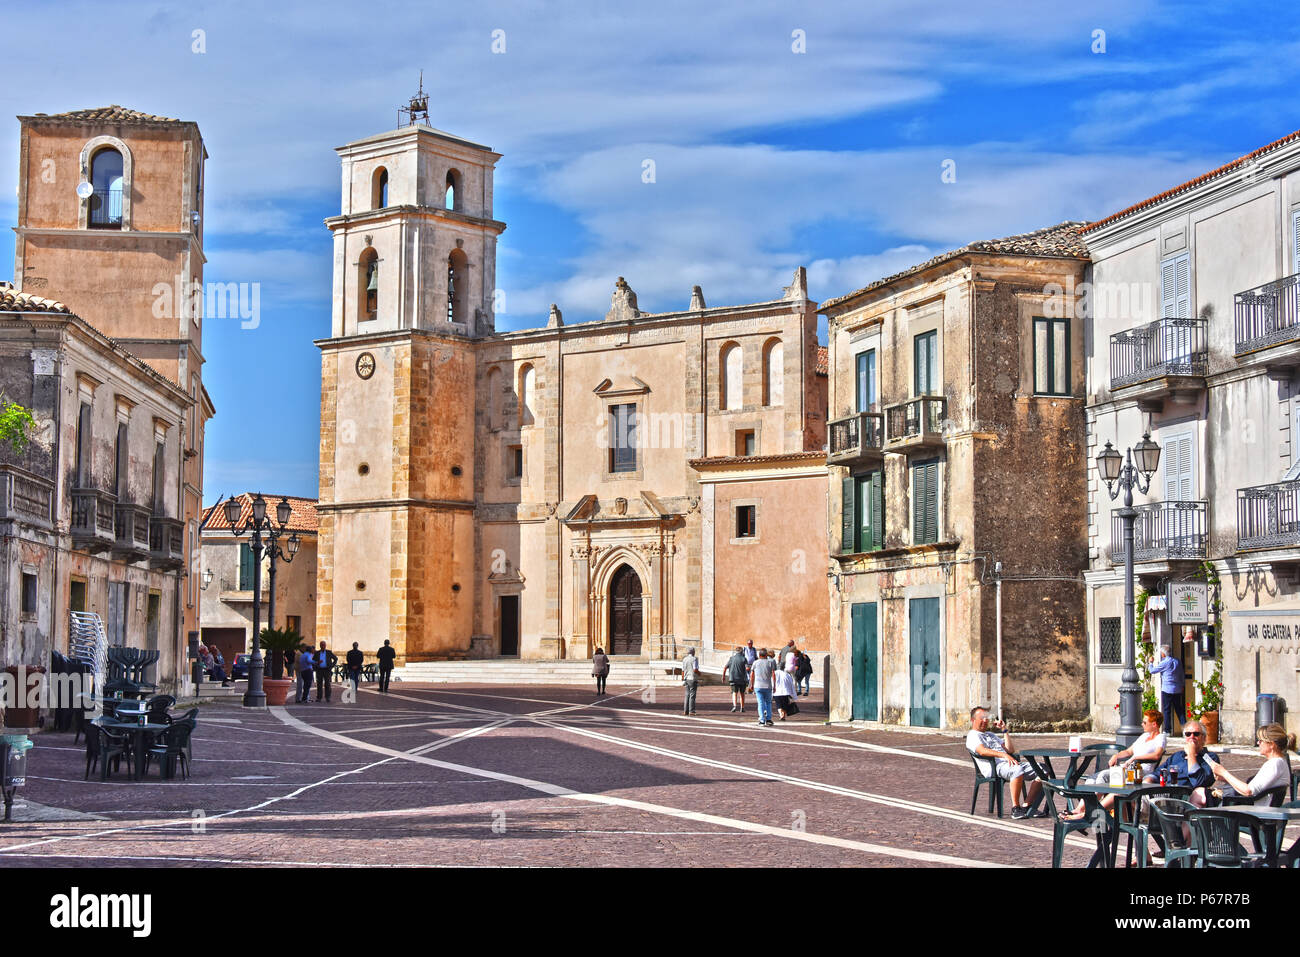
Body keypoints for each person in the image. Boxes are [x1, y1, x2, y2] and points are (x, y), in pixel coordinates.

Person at [1061, 710, 1166, 821]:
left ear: (1154, 724)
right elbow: (1129, 751)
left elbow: (1157, 755)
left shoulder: (1160, 738)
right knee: (1095, 778)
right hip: (1127, 768)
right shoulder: (1144, 736)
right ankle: (1081, 809)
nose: (1142, 724)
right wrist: (1116, 756)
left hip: (1139, 772)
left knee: (1104, 778)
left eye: (1144, 722)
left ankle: (1090, 813)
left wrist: (1136, 758)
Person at [966, 706, 1043, 819]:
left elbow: (1010, 749)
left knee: (1042, 769)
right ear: (973, 720)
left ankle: (1027, 805)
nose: (985, 720)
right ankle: (1015, 808)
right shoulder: (973, 735)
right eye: (981, 718)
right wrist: (1004, 755)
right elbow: (982, 751)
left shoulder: (991, 735)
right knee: (1017, 770)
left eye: (986, 718)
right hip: (994, 767)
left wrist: (1004, 730)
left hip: (1008, 764)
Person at [1201, 722, 1294, 807]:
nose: (1258, 743)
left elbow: (1248, 791)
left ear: (1272, 745)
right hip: (1256, 810)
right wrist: (1225, 779)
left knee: (1199, 796)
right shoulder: (1280, 762)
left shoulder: (1274, 764)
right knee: (1202, 795)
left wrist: (1224, 772)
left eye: (1261, 741)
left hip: (1255, 815)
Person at [1147, 643, 1183, 736]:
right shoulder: (1177, 661)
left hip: (1167, 688)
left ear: (1163, 654)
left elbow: (1152, 671)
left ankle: (1167, 730)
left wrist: (1150, 662)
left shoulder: (1165, 662)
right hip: (1177, 688)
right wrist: (1182, 685)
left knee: (1167, 710)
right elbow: (1181, 674)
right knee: (1179, 709)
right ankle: (1185, 728)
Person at [751, 649, 775, 727]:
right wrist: (774, 685)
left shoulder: (755, 663)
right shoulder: (770, 662)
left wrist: (751, 684)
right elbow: (773, 674)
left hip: (758, 685)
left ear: (759, 655)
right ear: (766, 655)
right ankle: (768, 719)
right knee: (768, 703)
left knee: (760, 703)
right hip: (768, 685)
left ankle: (761, 720)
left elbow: (752, 674)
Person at [725, 646, 749, 713]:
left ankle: (734, 706)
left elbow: (725, 667)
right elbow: (747, 668)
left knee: (734, 693)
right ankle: (742, 707)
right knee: (742, 693)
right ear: (742, 652)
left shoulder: (732, 658)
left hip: (733, 678)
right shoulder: (744, 659)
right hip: (742, 679)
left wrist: (723, 676)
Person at [681, 647, 700, 715]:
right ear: (693, 652)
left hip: (686, 678)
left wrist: (683, 678)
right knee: (692, 695)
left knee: (687, 695)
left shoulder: (684, 659)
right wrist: (699, 673)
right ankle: (691, 711)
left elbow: (683, 670)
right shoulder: (695, 659)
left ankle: (685, 710)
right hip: (692, 678)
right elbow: (695, 669)